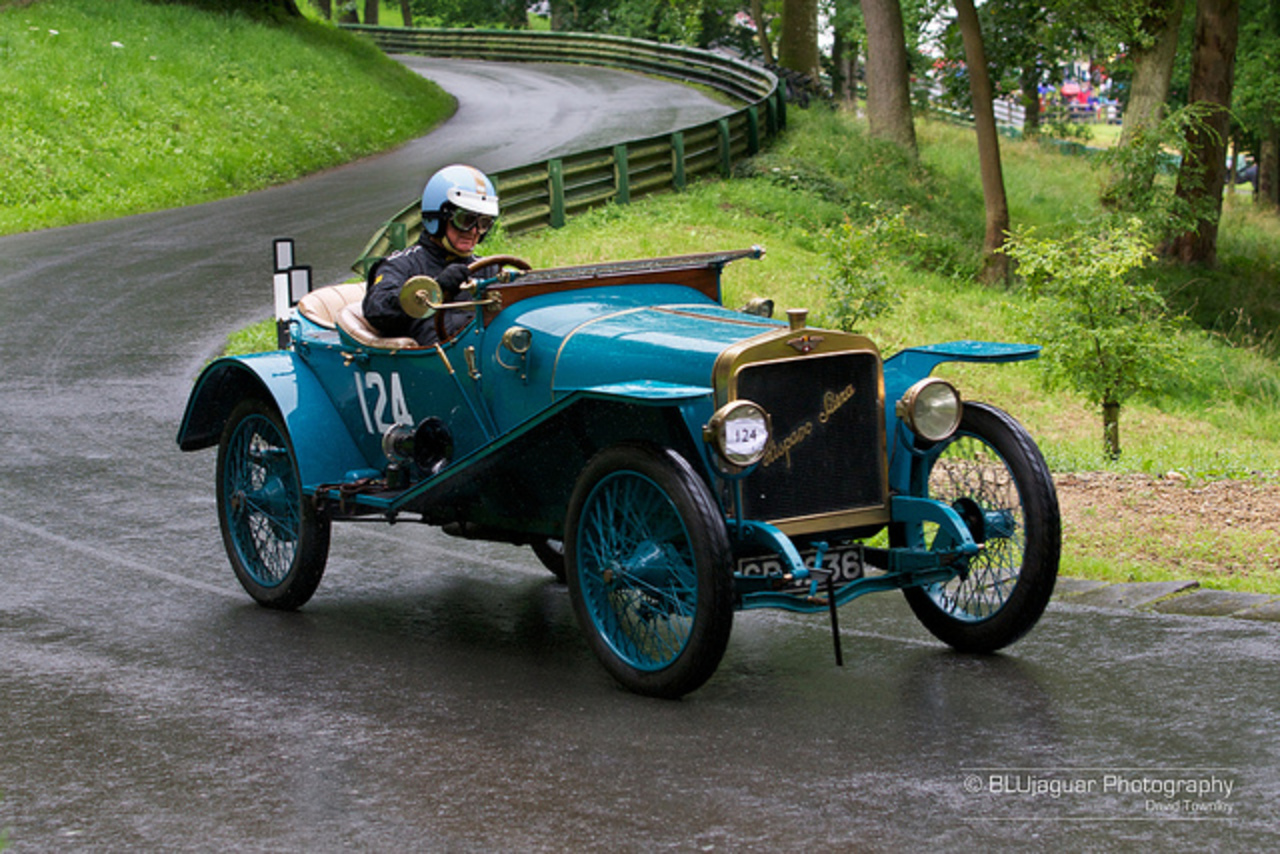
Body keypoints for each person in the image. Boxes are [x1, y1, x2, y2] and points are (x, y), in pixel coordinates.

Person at [362, 164, 501, 345]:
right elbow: (377, 309)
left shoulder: (489, 268)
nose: (474, 231)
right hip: (435, 356)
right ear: (439, 219)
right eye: (465, 220)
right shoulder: (401, 264)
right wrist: (434, 289)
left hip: (489, 353)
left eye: (483, 223)